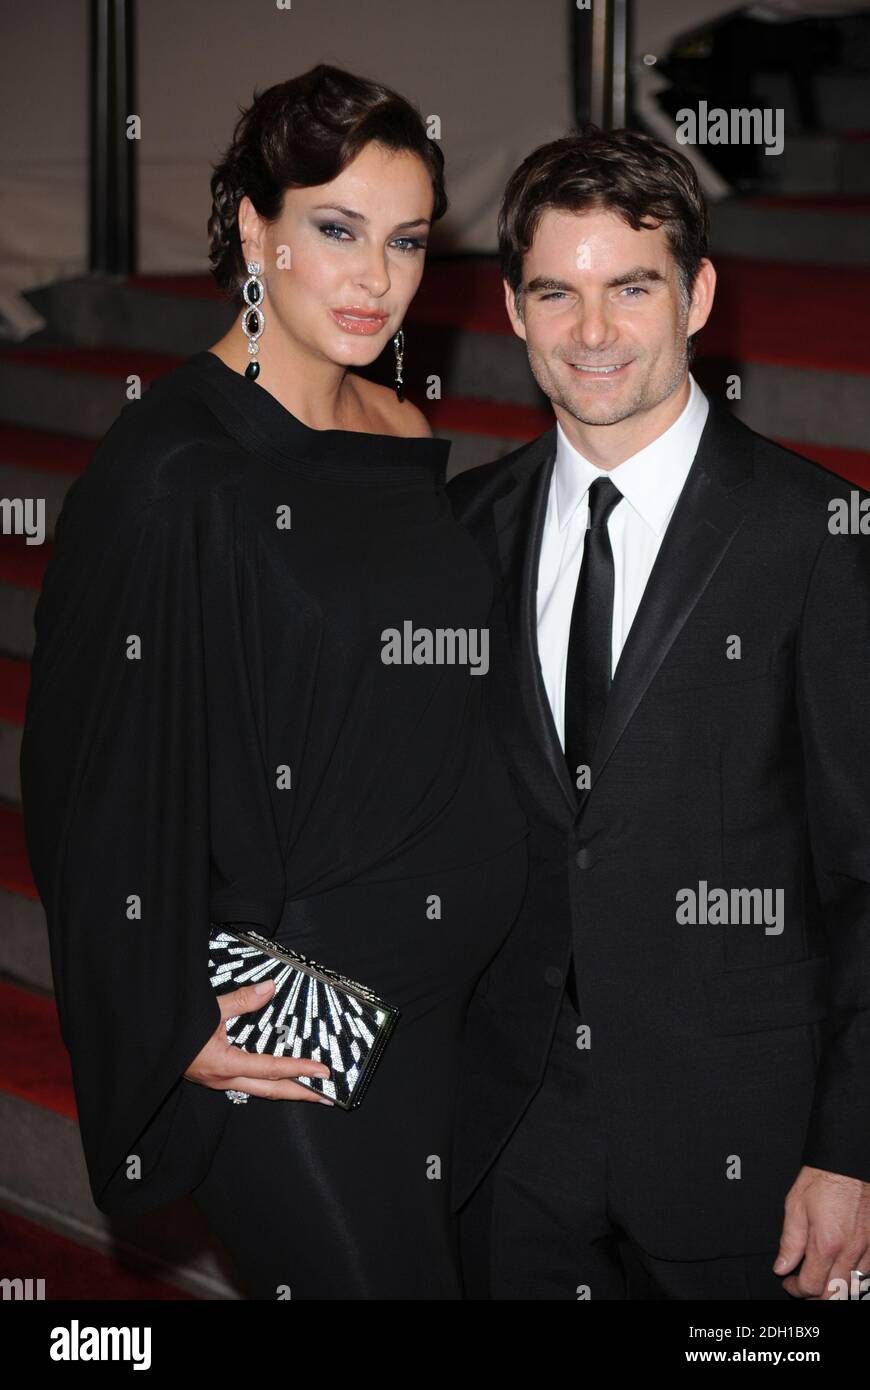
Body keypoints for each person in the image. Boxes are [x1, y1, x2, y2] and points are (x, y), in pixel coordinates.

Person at [19, 64, 528, 1300]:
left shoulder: (401, 430)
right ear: (255, 227)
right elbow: (79, 774)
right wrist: (168, 1007)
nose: (377, 279)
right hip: (308, 1006)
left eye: (405, 241)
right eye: (335, 229)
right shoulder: (172, 473)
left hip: (460, 991)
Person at [447, 124, 870, 1300]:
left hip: (751, 1154)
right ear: (514, 309)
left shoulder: (821, 539)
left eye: (631, 287)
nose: (592, 333)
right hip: (512, 1142)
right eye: (557, 292)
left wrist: (853, 1149)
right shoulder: (460, 532)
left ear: (699, 295)